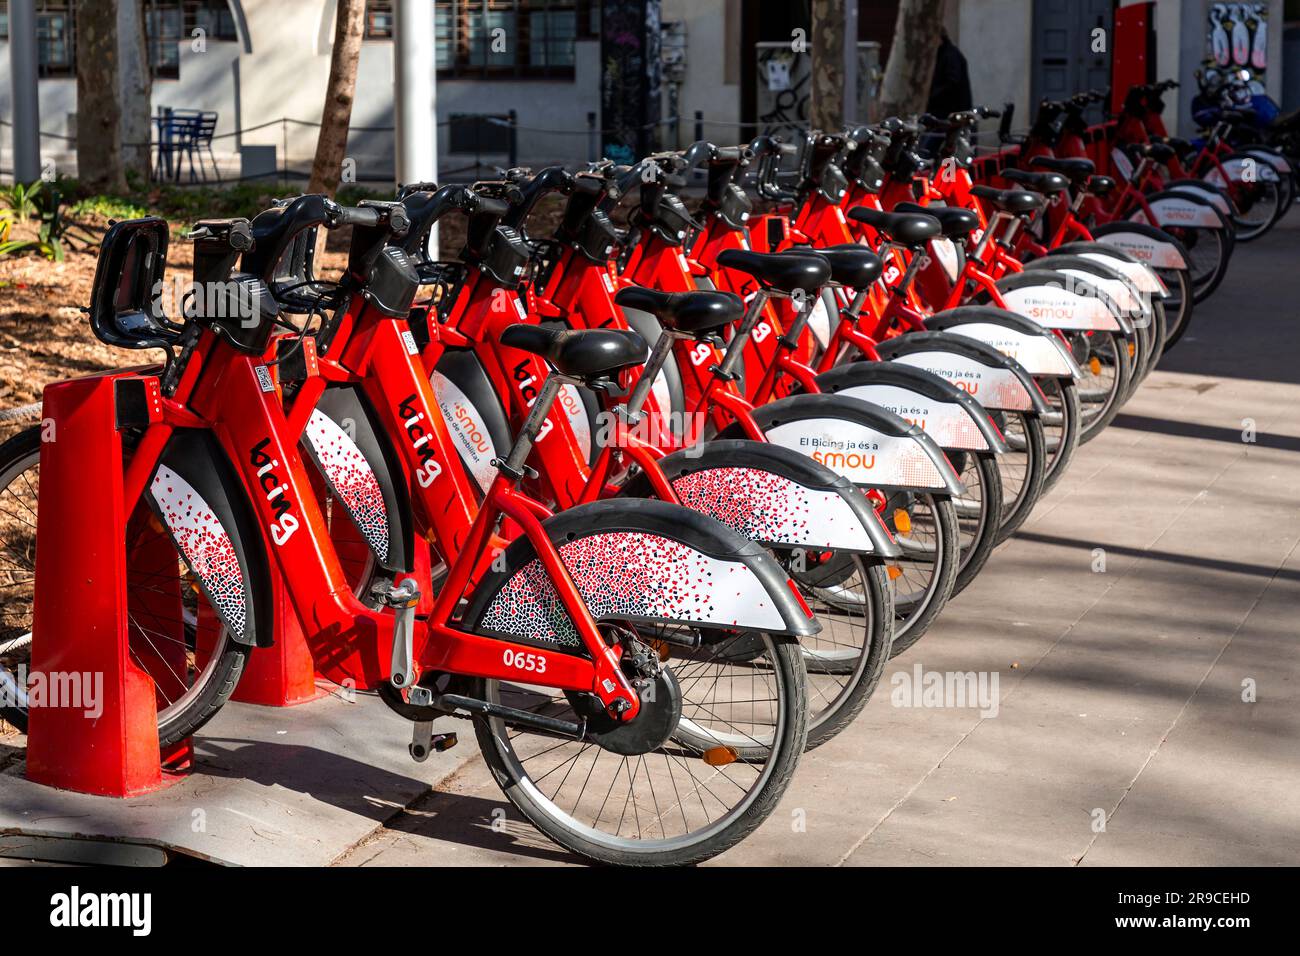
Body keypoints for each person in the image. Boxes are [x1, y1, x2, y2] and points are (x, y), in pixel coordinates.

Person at [927, 27, 973, 118]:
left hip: (950, 113)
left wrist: (931, 96)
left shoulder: (950, 56)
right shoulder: (946, 54)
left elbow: (952, 83)